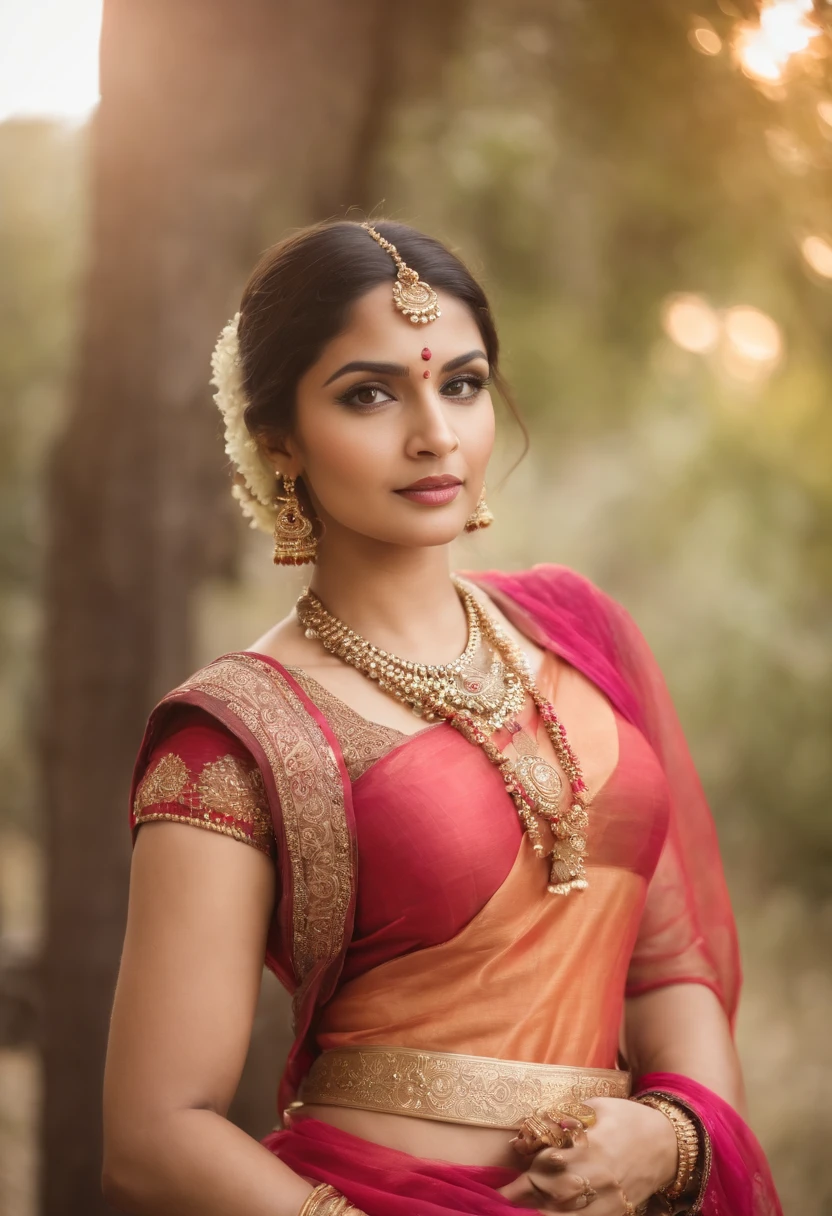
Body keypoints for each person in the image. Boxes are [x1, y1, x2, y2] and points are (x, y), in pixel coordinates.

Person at [101, 219, 782, 1216]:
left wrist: (675, 1137)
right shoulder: (236, 733)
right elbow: (155, 1132)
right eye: (369, 394)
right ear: (279, 437)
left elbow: (668, 969)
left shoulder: (581, 633)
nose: (435, 434)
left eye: (461, 384)